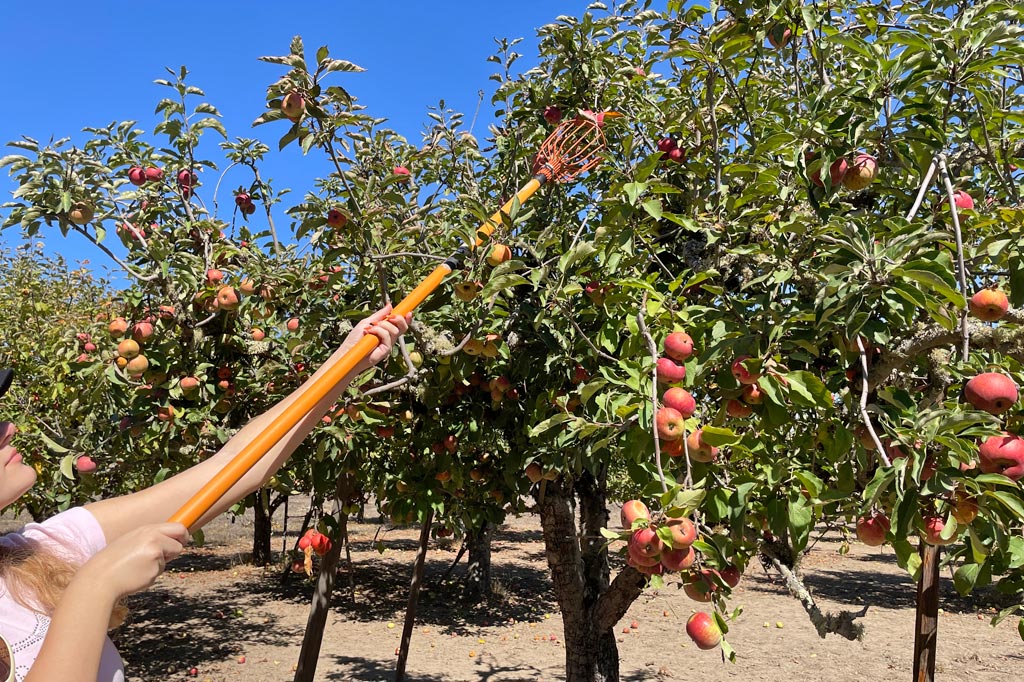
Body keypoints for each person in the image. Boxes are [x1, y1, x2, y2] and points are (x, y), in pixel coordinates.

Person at [0, 305, 410, 682]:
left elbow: (235, 467)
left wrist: (346, 362)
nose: (9, 429)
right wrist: (94, 586)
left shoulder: (37, 551)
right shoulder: (55, 565)